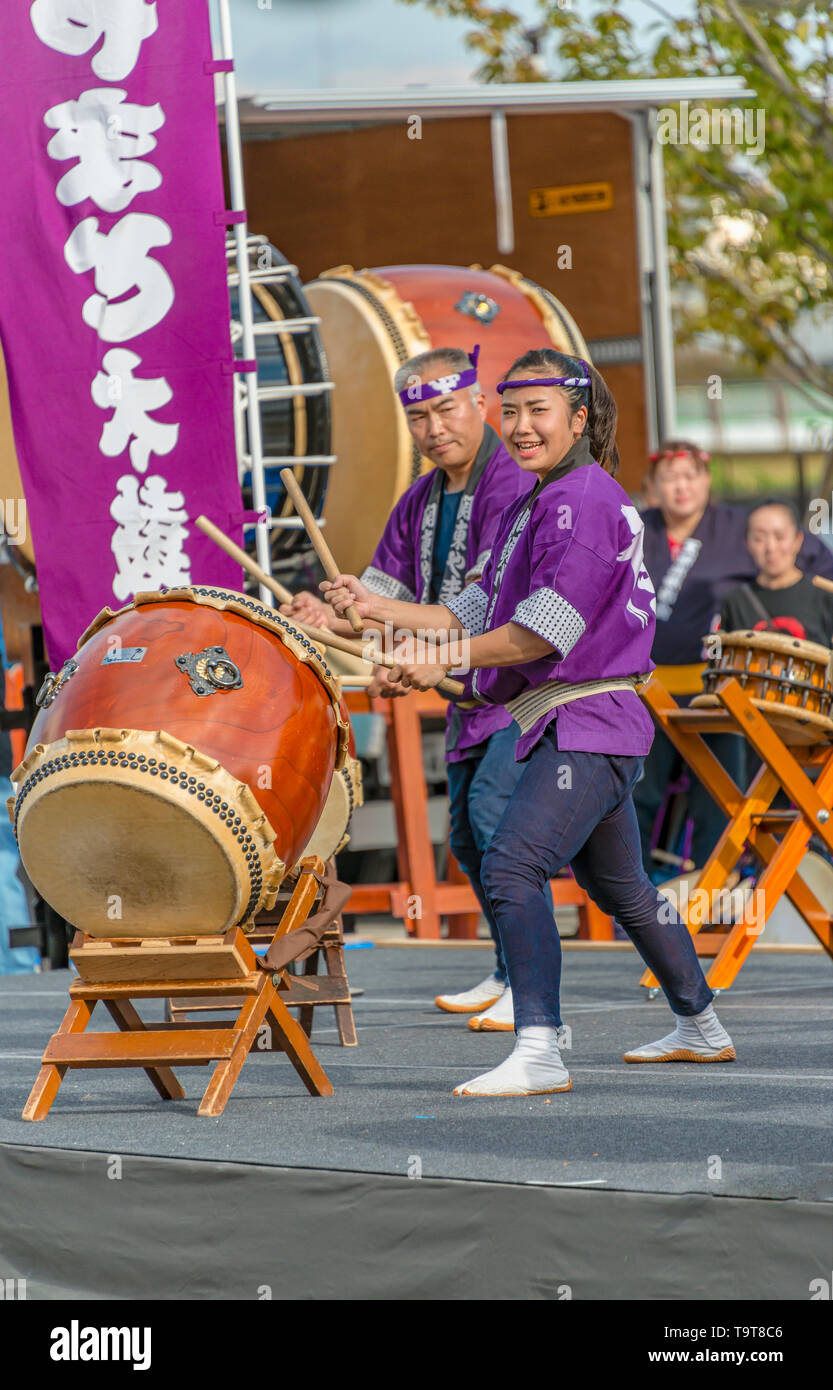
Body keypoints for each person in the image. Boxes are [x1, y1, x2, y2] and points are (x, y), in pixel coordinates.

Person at [321, 349, 734, 1097]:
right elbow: (477, 613)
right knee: (624, 891)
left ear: (579, 418)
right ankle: (701, 1026)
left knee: (510, 860)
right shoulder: (533, 503)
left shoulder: (582, 500)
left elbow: (539, 634)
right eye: (510, 411)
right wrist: (392, 633)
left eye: (536, 411)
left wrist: (430, 651)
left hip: (588, 717)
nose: (517, 427)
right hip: (565, 721)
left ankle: (539, 1047)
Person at [282, 344, 533, 1027]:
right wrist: (329, 608)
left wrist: (388, 625)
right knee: (470, 839)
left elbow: (480, 604)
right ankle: (514, 968)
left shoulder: (510, 484)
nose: (433, 430)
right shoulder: (419, 500)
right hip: (464, 696)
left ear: (478, 403)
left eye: (445, 409)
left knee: (497, 826)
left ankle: (532, 987)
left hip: (523, 690)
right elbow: (382, 598)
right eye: (418, 418)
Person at [635, 443, 833, 873]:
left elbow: (800, 556)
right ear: (653, 487)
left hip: (717, 690)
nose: (681, 487)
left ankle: (713, 893)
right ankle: (627, 900)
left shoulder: (737, 525)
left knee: (718, 793)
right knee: (638, 793)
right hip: (647, 688)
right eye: (670, 478)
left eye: (690, 476)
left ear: (707, 481)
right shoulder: (636, 528)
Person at [719, 498, 833, 646]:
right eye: (759, 538)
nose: (771, 548)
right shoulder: (735, 602)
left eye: (780, 537)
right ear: (747, 543)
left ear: (798, 540)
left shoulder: (823, 597)